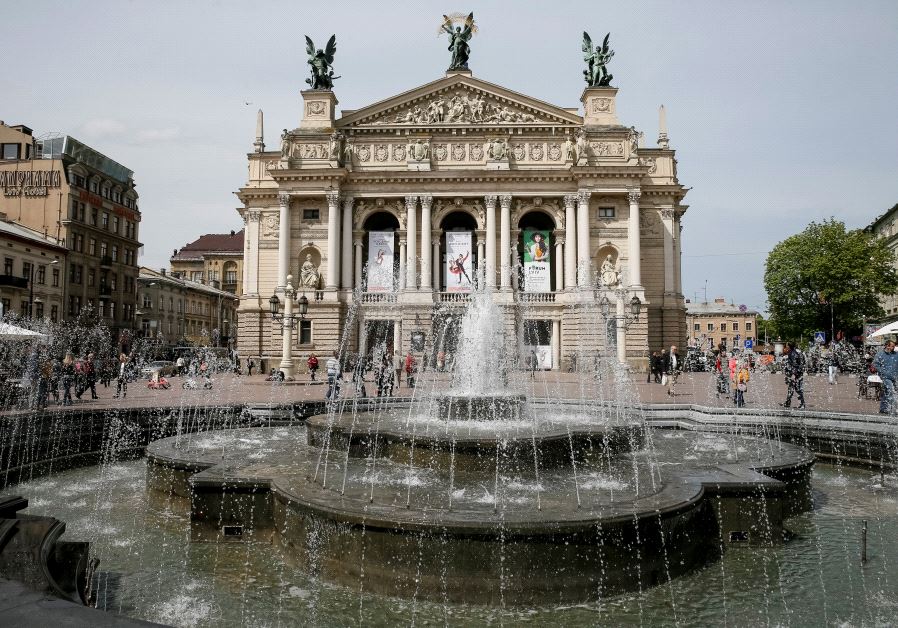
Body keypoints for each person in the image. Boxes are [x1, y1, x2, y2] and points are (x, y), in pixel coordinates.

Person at [872, 339, 898, 414]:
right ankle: (893, 409)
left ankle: (883, 409)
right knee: (891, 390)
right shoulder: (880, 354)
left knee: (887, 393)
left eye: (894, 346)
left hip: (895, 377)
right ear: (887, 346)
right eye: (892, 346)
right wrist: (883, 372)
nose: (893, 348)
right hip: (885, 377)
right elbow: (875, 365)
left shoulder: (896, 354)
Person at [781, 342, 806, 409]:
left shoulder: (792, 353)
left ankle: (802, 404)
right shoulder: (798, 352)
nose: (786, 347)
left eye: (787, 346)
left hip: (795, 374)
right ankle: (788, 403)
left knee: (797, 389)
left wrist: (793, 374)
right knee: (792, 389)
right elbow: (803, 363)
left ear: (789, 346)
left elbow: (795, 365)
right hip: (798, 374)